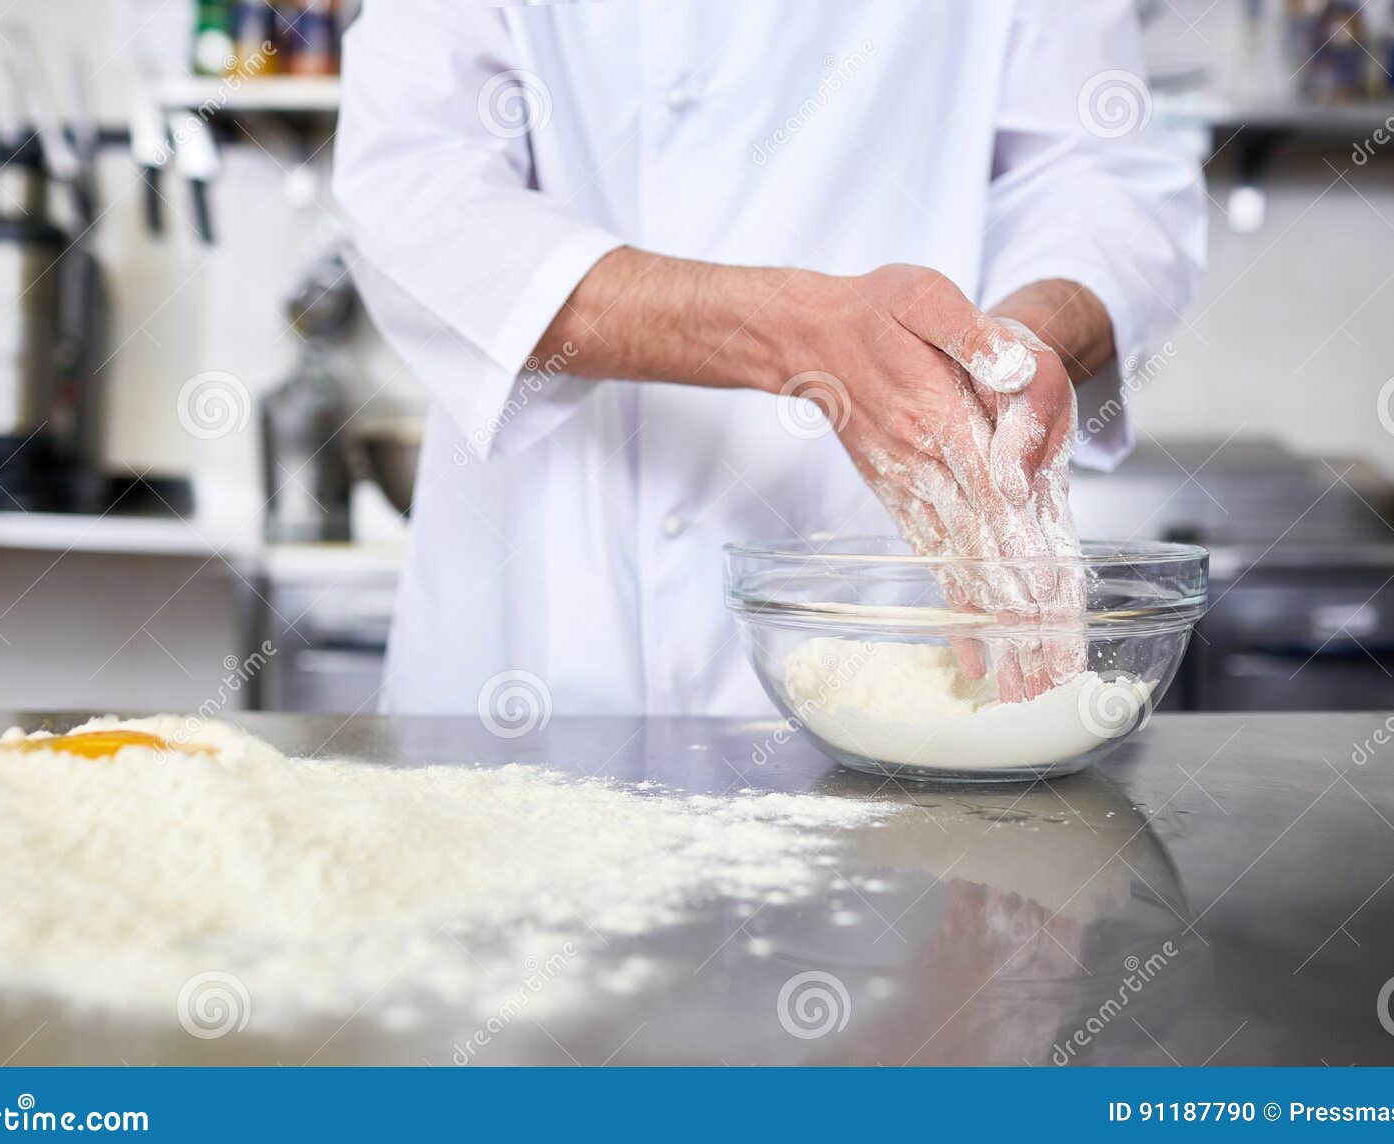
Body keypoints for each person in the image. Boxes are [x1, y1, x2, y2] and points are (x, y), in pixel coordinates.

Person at [333, 0, 1205, 717]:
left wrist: (1008, 354)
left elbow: (1099, 175)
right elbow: (411, 189)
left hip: (884, 624)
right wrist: (798, 330)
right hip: (537, 637)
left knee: (889, 909)